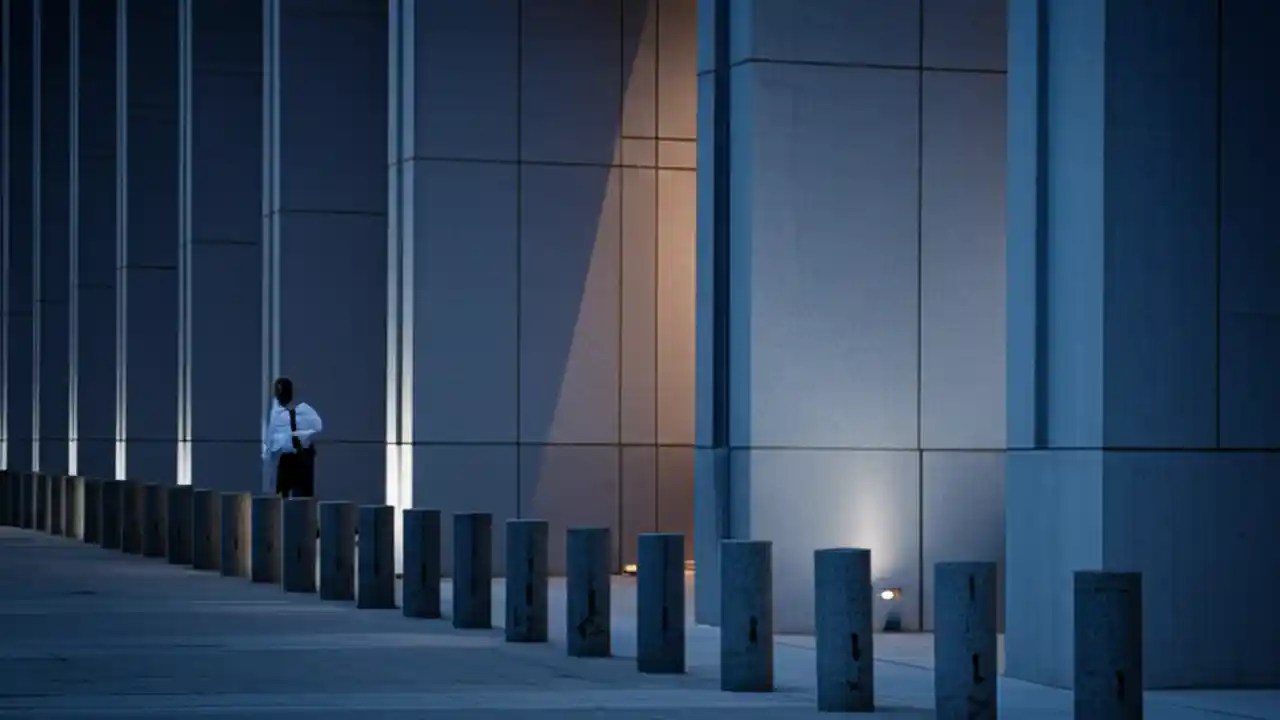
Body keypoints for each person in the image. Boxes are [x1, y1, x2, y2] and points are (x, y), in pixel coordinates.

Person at [261, 377, 323, 497]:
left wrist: (298, 435)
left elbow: (317, 427)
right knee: (285, 493)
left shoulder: (303, 411)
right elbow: (271, 439)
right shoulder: (279, 414)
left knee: (301, 496)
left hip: (301, 457)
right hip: (290, 459)